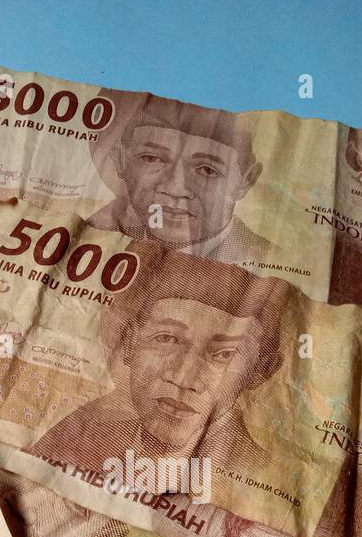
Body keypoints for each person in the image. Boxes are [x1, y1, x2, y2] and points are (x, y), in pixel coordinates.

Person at [32, 253, 292, 478]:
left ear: (260, 371)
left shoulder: (258, 474)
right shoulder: (77, 437)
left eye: (223, 355)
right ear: (130, 342)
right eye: (167, 339)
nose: (182, 377)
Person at [91, 100, 272, 263]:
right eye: (151, 158)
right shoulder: (96, 231)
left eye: (207, 170)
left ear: (246, 182)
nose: (174, 188)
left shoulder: (266, 262)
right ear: (120, 160)